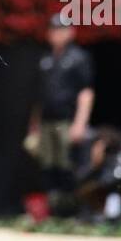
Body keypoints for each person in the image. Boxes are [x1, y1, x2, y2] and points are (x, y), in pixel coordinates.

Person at [25, 14, 95, 197]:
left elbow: (86, 93)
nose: (56, 34)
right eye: (53, 30)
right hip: (46, 121)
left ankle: (70, 209)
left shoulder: (79, 58)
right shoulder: (45, 59)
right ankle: (52, 208)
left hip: (67, 120)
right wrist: (34, 125)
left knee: (67, 164)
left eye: (60, 30)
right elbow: (39, 96)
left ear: (70, 32)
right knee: (47, 164)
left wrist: (80, 123)